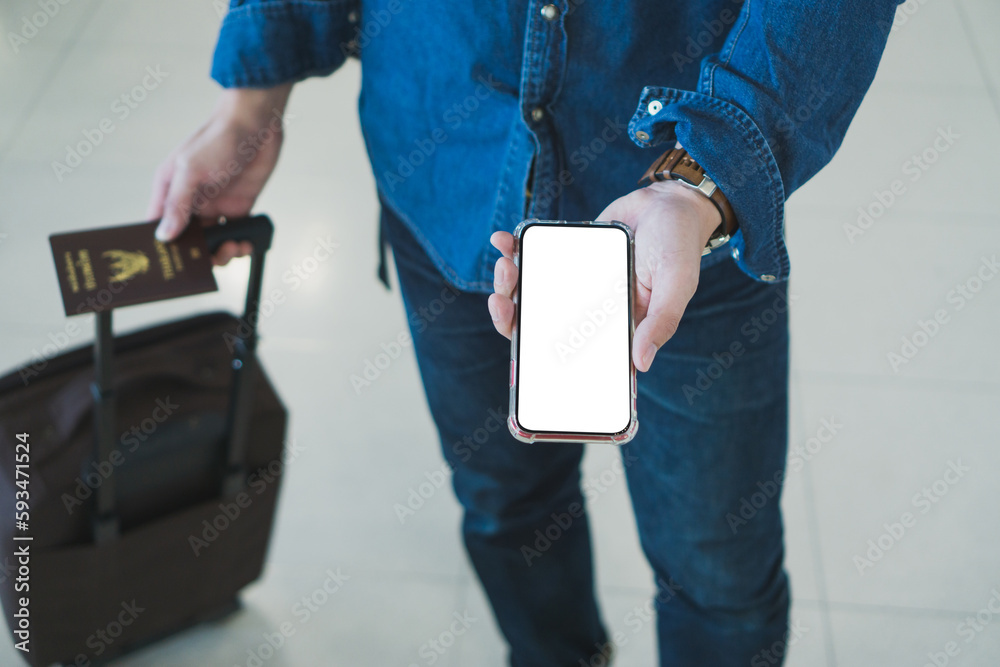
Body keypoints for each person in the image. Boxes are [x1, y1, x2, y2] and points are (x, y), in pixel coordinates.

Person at [148, 2, 902, 664]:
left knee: (719, 569)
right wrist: (248, 109)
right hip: (446, 168)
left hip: (691, 223)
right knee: (506, 507)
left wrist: (707, 175)